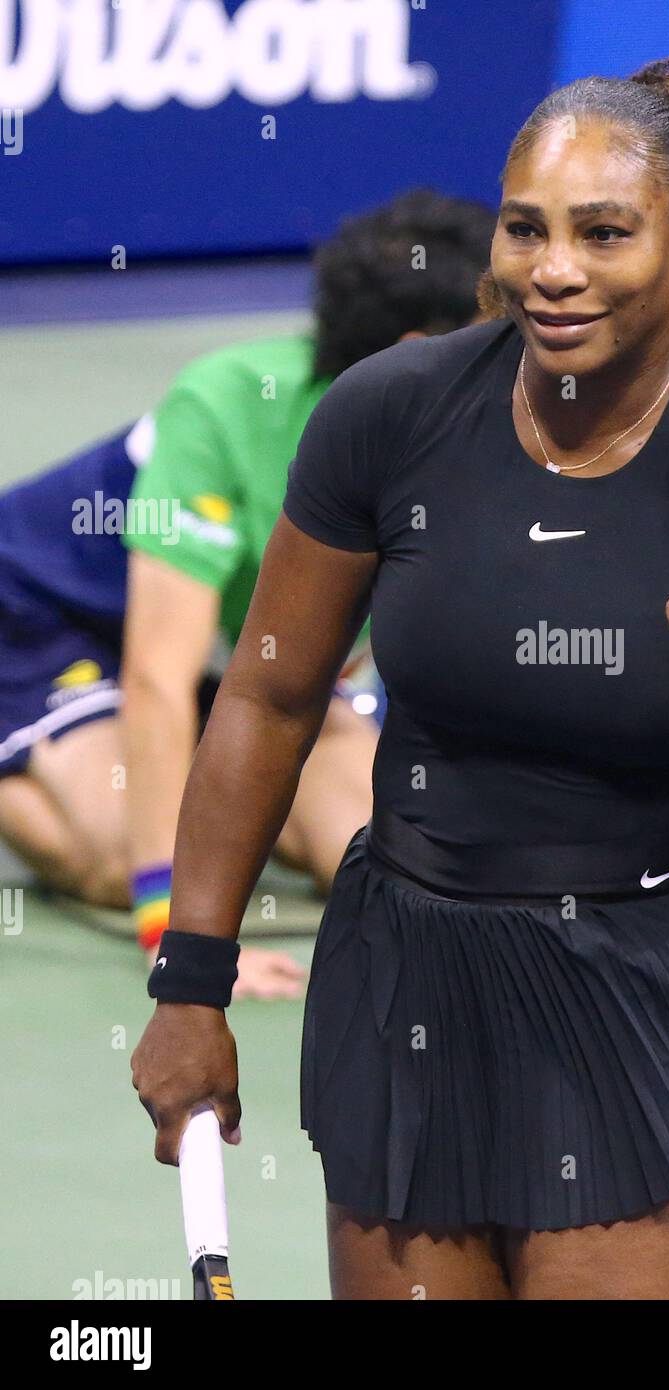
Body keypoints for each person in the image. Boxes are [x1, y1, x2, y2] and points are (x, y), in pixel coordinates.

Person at [131, 56, 669, 1298]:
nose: (553, 268)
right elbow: (266, 697)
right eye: (525, 227)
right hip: (412, 976)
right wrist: (189, 983)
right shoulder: (388, 415)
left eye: (603, 232)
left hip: (658, 986)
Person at [0, 190, 495, 999]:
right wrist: (175, 926)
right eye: (498, 334)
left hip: (231, 652)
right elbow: (159, 674)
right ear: (418, 348)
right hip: (44, 623)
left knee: (386, 852)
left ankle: (188, 778)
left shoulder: (470, 439)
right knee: (109, 855)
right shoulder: (224, 406)